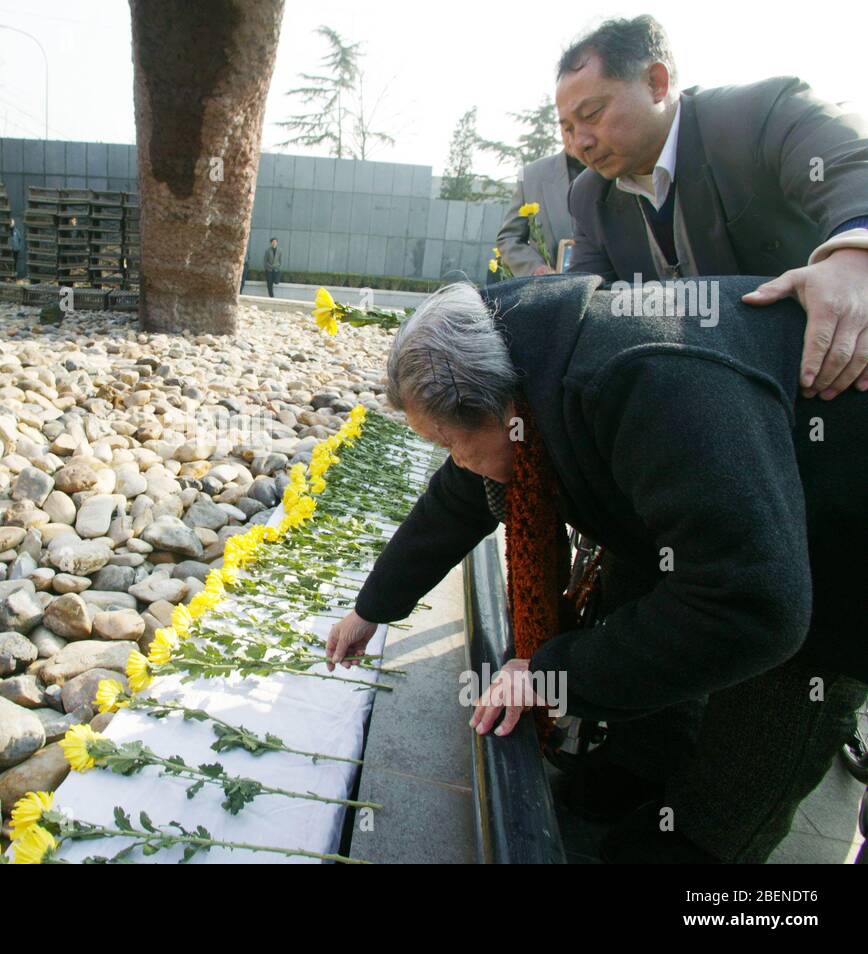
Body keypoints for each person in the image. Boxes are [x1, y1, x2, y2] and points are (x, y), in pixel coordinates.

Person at [326, 275, 868, 862]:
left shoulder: (649, 381)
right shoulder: (521, 367)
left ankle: (699, 844)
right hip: (739, 530)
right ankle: (644, 768)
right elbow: (456, 499)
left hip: (835, 561)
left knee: (755, 738)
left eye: (450, 442)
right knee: (641, 594)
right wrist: (371, 608)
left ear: (498, 409)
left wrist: (556, 673)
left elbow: (754, 604)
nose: (455, 460)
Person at [558, 15, 868, 400]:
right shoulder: (588, 196)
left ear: (657, 83)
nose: (579, 143)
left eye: (591, 115)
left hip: (824, 383)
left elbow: (852, 167)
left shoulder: (757, 116)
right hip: (701, 405)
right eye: (567, 128)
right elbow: (586, 303)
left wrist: (856, 255)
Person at [496, 139, 585, 276]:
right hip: (551, 292)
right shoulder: (532, 175)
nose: (576, 133)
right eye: (568, 127)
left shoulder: (621, 172)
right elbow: (509, 238)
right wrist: (536, 269)